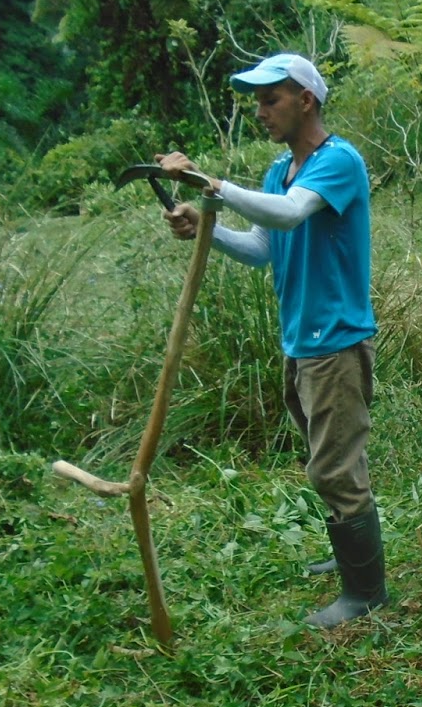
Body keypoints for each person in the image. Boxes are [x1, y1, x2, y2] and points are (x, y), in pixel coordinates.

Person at [158, 52, 386, 629]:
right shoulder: (278, 170)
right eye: (257, 101)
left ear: (305, 100)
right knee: (328, 459)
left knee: (333, 468)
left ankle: (365, 593)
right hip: (301, 340)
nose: (260, 112)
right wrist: (205, 226)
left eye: (269, 100)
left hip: (336, 342)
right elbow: (263, 247)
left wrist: (212, 186)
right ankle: (349, 556)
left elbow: (289, 215)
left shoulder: (338, 161)